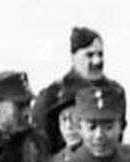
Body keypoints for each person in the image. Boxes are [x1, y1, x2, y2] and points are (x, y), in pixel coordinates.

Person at [32, 26, 114, 154]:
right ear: (73, 57)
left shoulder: (113, 92)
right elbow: (43, 147)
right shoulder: (52, 96)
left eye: (100, 54)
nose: (97, 61)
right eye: (90, 55)